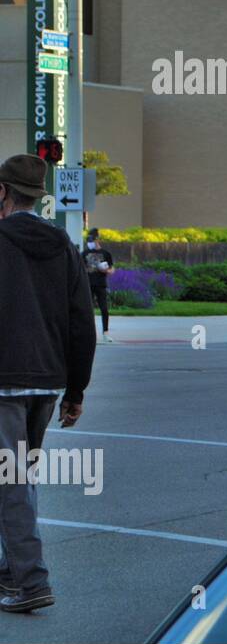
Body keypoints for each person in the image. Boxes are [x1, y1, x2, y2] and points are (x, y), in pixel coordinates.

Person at [0, 154, 97, 613]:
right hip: (46, 383)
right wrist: (76, 391)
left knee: (12, 481)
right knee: (20, 478)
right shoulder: (62, 245)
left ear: (3, 193)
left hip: (5, 381)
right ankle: (10, 568)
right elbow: (82, 322)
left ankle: (32, 580)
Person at [82, 227, 115, 343]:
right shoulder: (85, 253)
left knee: (104, 309)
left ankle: (105, 333)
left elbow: (112, 270)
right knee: (88, 310)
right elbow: (81, 268)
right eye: (88, 241)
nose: (90, 243)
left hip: (101, 284)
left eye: (91, 241)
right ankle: (89, 334)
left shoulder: (105, 254)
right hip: (88, 285)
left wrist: (105, 270)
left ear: (97, 240)